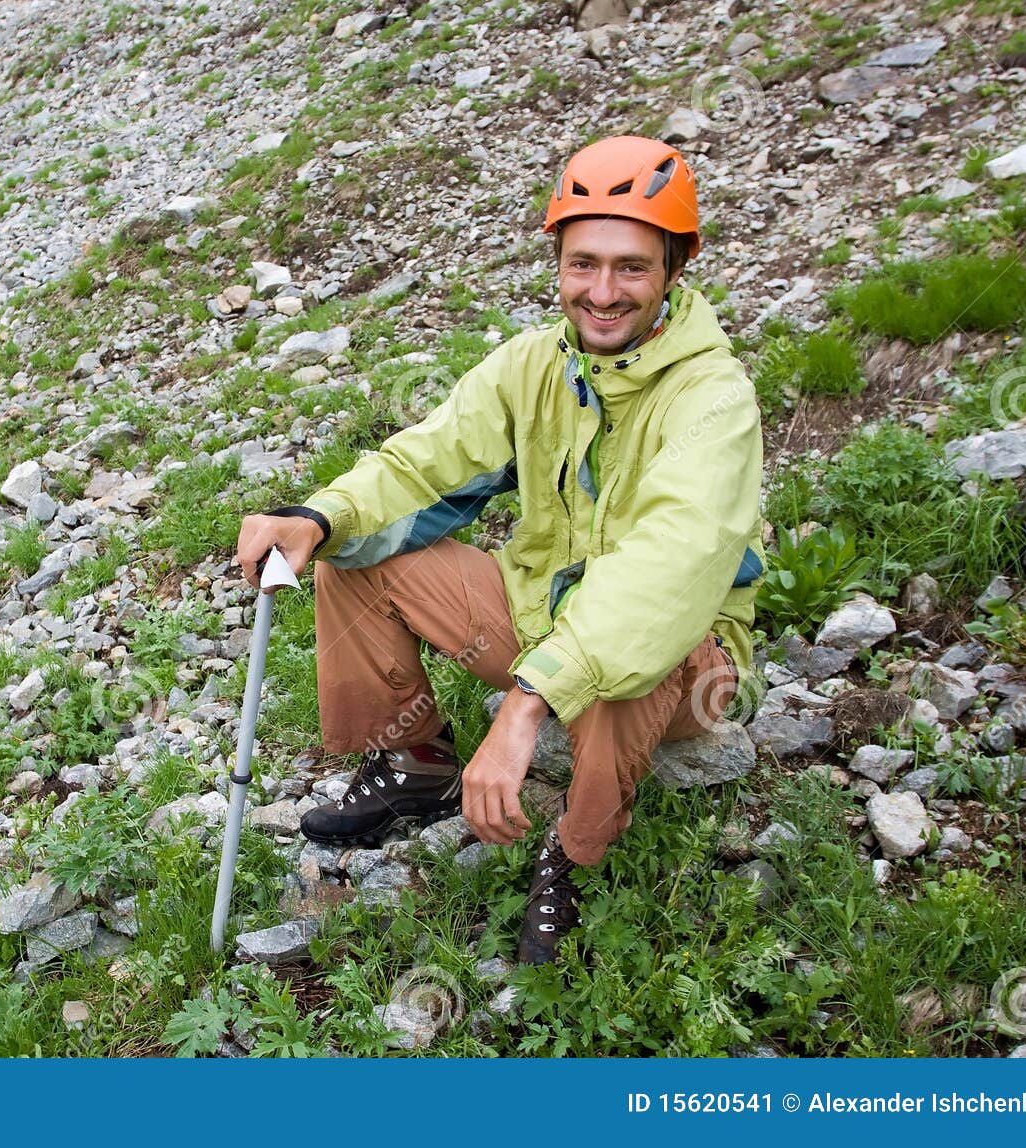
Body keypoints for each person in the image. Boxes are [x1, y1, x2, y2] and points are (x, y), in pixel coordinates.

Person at [236, 135, 765, 966]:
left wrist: (527, 704)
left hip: (689, 659)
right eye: (582, 263)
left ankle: (578, 857)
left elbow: (668, 573)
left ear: (675, 268)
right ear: (556, 261)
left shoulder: (714, 398)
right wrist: (318, 514)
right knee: (359, 553)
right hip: (541, 613)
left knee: (628, 667)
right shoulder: (533, 363)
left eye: (631, 267)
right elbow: (427, 461)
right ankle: (417, 764)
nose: (602, 291)